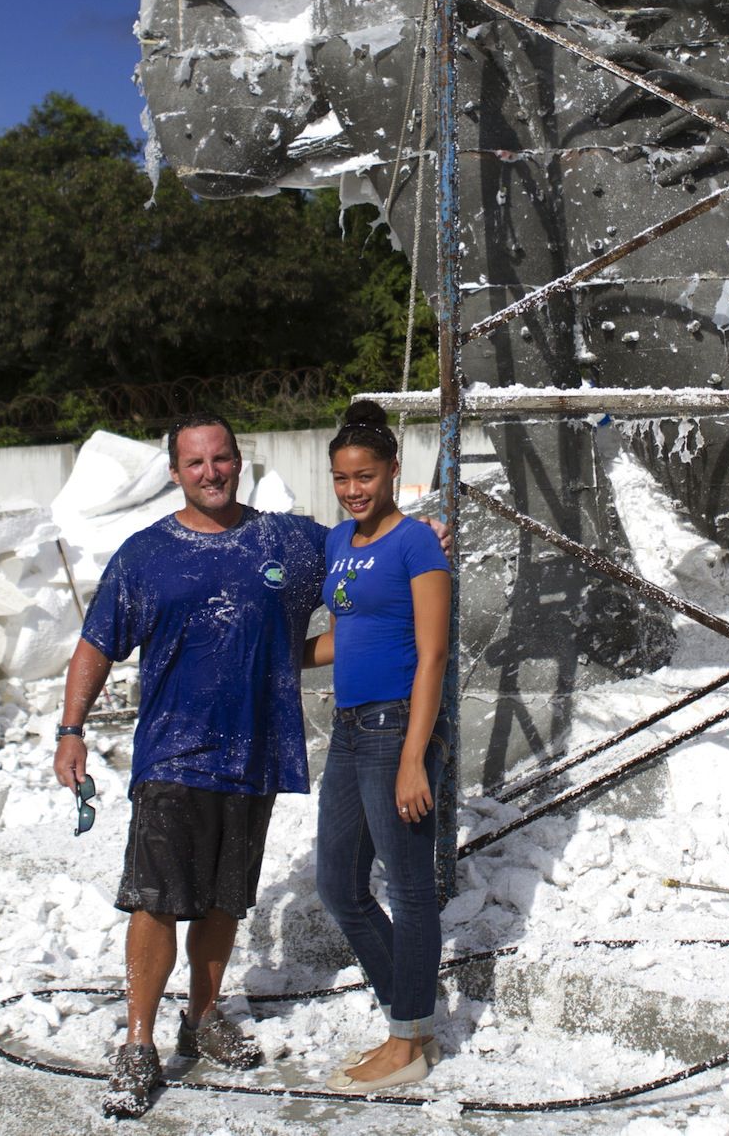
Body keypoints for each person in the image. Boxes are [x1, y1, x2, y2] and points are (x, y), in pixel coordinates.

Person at [52, 412, 449, 1119]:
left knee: (223, 900)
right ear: (176, 472)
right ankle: (138, 1042)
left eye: (221, 458)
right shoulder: (146, 554)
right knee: (156, 897)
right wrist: (71, 728)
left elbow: (371, 557)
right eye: (195, 462)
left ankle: (202, 1016)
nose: (210, 472)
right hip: (174, 751)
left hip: (254, 753)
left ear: (239, 461)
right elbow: (97, 642)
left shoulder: (290, 541)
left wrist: (425, 538)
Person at [303, 400, 451, 1093]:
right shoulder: (340, 542)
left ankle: (407, 1039)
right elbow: (345, 636)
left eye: (364, 475)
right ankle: (412, 1015)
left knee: (410, 887)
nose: (353, 488)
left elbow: (432, 653)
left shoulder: (417, 543)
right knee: (338, 884)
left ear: (393, 470)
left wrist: (416, 756)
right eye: (341, 477)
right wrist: (281, 654)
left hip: (398, 729)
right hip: (350, 729)